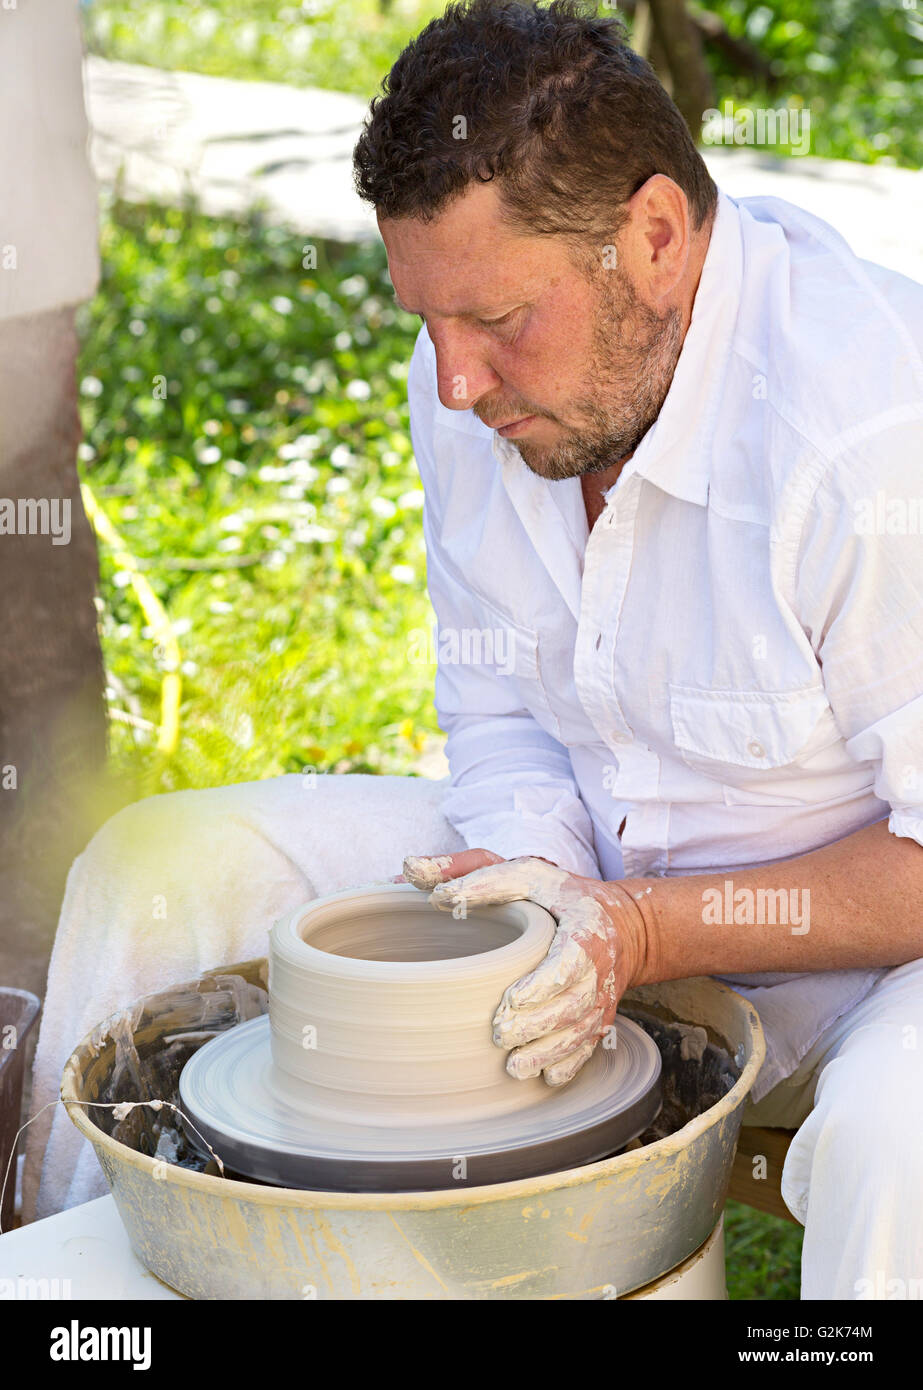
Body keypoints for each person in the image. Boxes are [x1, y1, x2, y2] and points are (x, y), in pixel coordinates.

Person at [24, 0, 922, 1300]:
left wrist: (635, 930)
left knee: (905, 1136)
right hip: (607, 878)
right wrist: (540, 895)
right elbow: (501, 714)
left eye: (499, 318)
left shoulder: (864, 425)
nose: (452, 382)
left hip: (868, 966)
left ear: (655, 240)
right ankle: (79, 1290)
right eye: (427, 318)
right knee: (160, 869)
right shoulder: (475, 383)